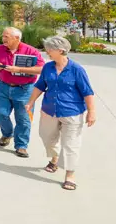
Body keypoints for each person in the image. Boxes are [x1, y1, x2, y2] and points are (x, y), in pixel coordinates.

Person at [26, 36, 96, 191]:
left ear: (61, 50)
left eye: (50, 49)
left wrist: (91, 112)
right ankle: (55, 158)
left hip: (72, 111)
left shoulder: (76, 69)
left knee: (71, 144)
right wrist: (30, 102)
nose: (47, 52)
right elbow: (40, 85)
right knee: (46, 137)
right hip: (49, 109)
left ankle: (70, 175)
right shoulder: (48, 67)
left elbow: (87, 92)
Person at [0, 27, 45, 158]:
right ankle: (7, 133)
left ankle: (21, 146)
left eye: (7, 36)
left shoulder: (31, 51)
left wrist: (18, 69)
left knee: (23, 119)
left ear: (17, 38)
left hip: (24, 90)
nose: (3, 39)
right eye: (3, 36)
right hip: (2, 87)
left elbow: (41, 69)